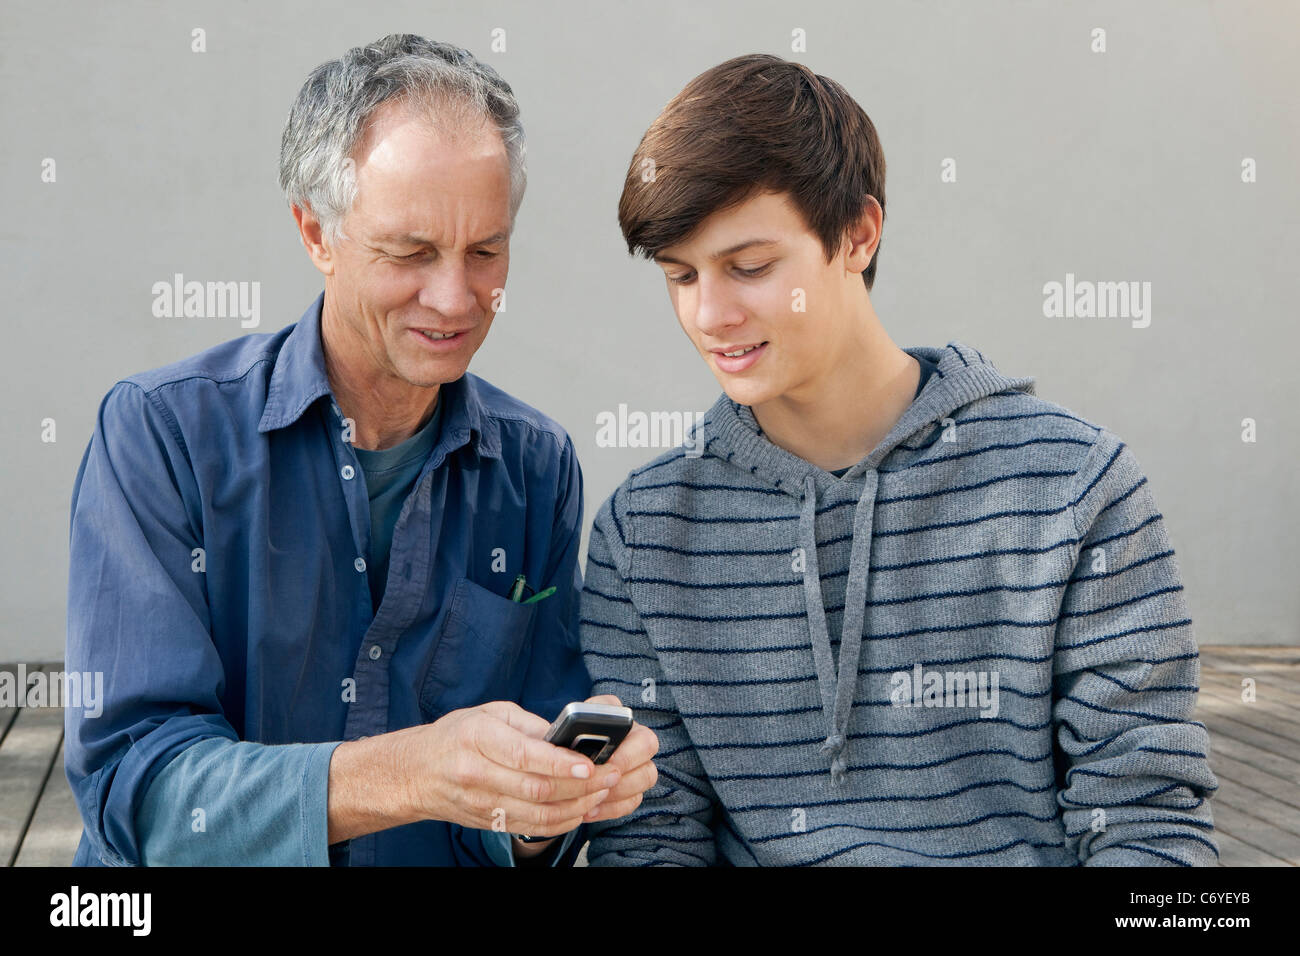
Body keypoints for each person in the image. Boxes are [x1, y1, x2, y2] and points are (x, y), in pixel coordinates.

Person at [579, 53, 1217, 865]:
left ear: (858, 234)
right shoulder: (643, 533)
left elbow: (1149, 826)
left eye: (750, 267)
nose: (710, 314)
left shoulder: (1076, 489)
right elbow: (650, 840)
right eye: (680, 275)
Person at [64, 34, 656, 867]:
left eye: (485, 250)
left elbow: (508, 808)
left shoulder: (536, 467)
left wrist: (540, 808)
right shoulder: (160, 436)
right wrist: (409, 774)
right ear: (316, 233)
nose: (455, 298)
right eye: (410, 252)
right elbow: (137, 789)